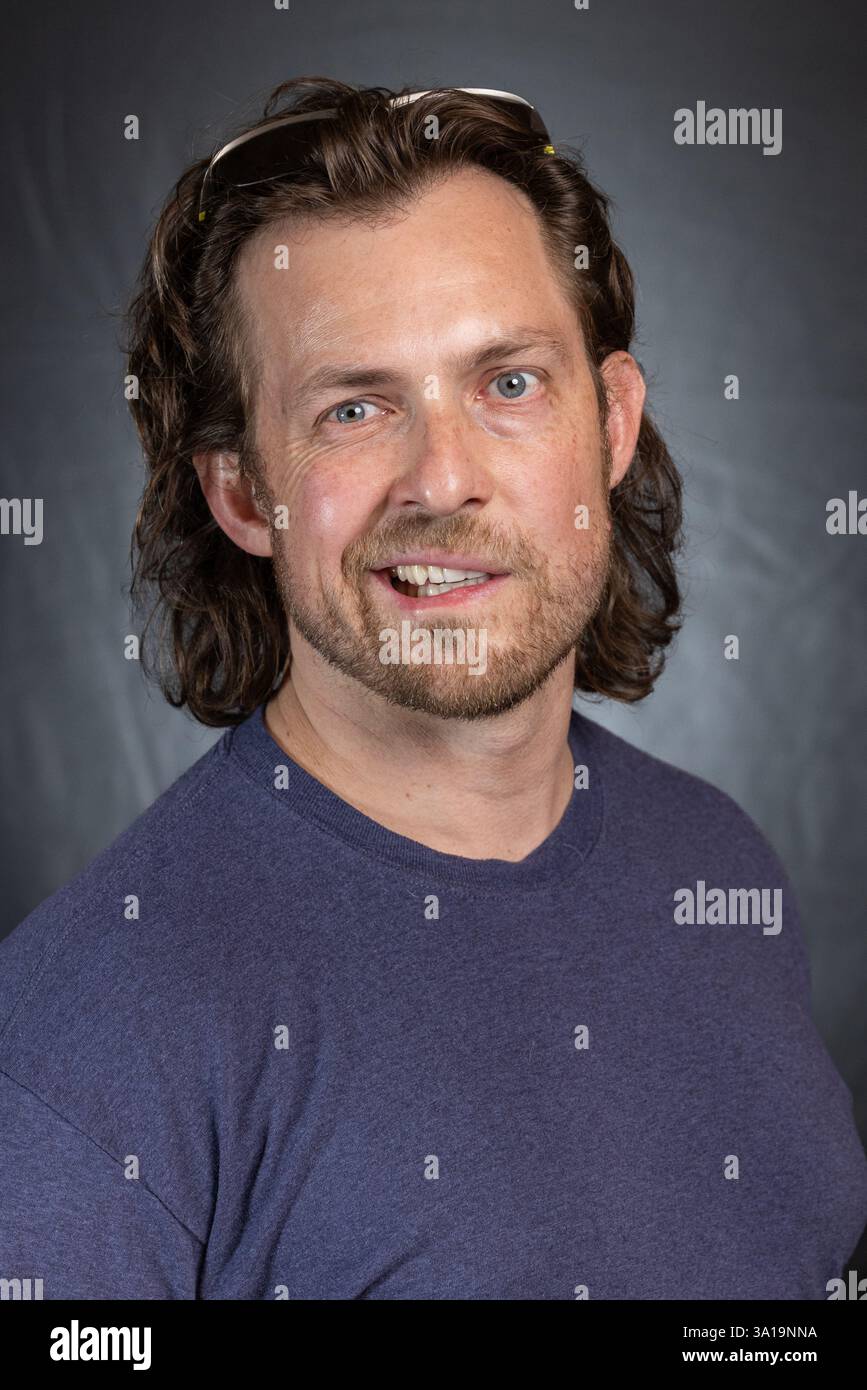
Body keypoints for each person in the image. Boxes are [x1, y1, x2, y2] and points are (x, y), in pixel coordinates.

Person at [1, 77, 864, 1300]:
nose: (442, 479)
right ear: (246, 494)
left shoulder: (717, 868)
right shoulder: (78, 1043)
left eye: (508, 383)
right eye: (356, 407)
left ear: (611, 426)